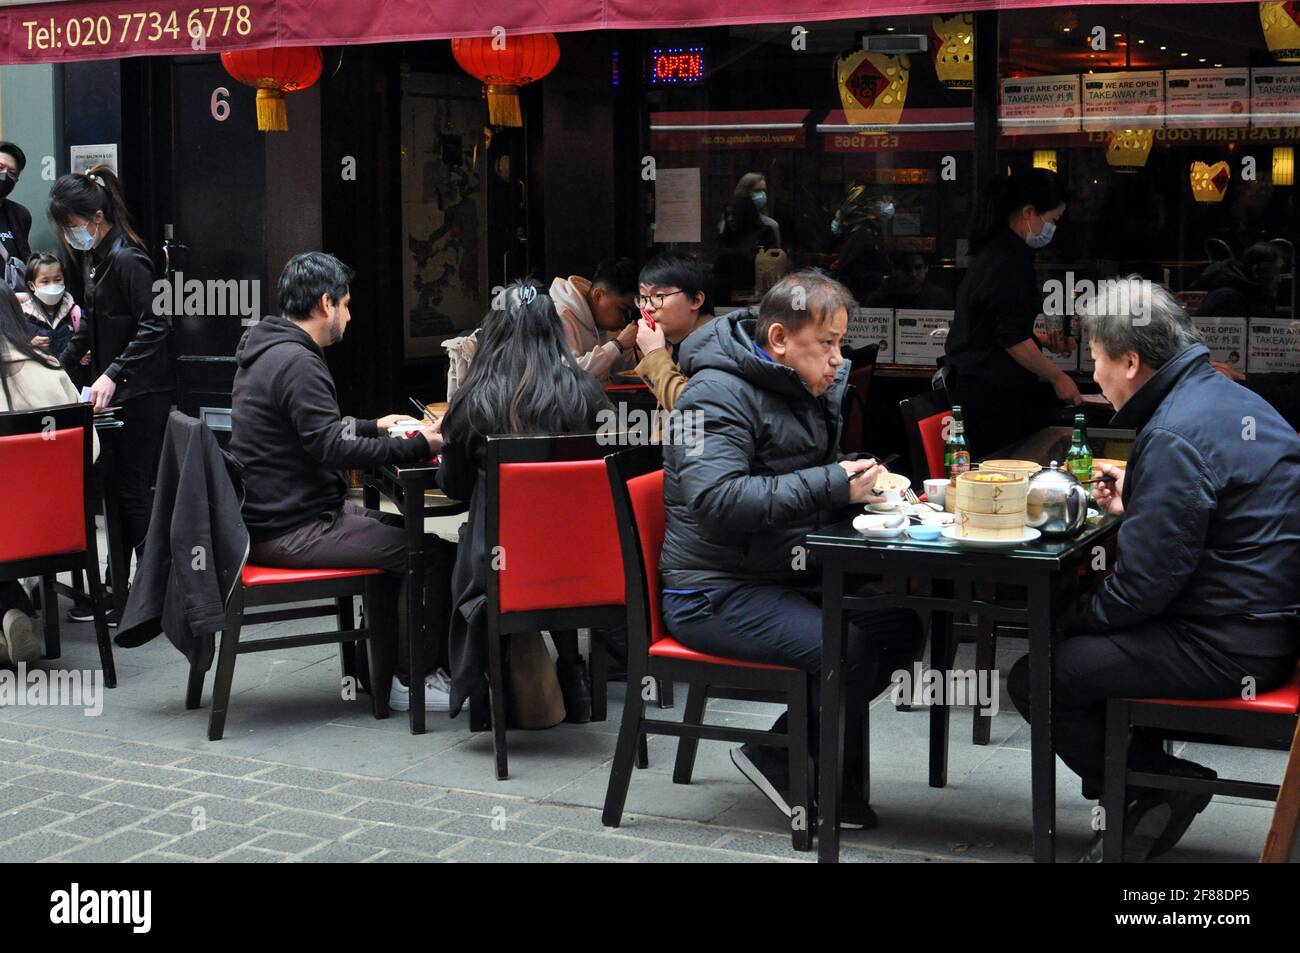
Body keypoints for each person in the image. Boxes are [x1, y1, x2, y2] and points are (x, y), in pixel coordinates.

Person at [1006, 280, 1300, 863]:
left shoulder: (1173, 432)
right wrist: (1141, 497)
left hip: (1230, 642)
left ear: (1131, 361)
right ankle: (1141, 793)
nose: (1094, 376)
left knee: (1039, 671)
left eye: (1095, 359)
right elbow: (1215, 519)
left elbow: (1142, 589)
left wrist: (1071, 617)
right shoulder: (1225, 397)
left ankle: (1151, 788)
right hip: (1266, 623)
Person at [659, 269, 923, 828]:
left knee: (900, 626)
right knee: (845, 649)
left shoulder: (798, 386)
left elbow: (799, 480)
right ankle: (793, 764)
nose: (836, 358)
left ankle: (785, 751)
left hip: (781, 573)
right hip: (713, 590)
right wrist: (833, 483)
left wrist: (865, 489)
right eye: (826, 344)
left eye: (840, 344)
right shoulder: (716, 395)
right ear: (778, 339)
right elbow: (715, 499)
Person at [229, 252, 455, 711]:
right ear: (326, 304)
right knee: (430, 555)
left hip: (280, 515)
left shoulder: (267, 349)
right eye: (347, 305)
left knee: (408, 538)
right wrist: (419, 444)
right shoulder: (298, 362)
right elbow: (331, 448)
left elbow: (313, 431)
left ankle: (386, 670)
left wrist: (374, 425)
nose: (349, 317)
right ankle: (413, 681)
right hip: (293, 528)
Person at [438, 281, 611, 722]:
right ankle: (572, 674)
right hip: (583, 564)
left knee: (469, 539)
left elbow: (453, 487)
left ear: (492, 332)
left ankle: (488, 691)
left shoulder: (473, 402)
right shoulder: (586, 394)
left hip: (499, 568)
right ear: (553, 330)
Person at [49, 167, 171, 623]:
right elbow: (88, 331)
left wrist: (115, 372)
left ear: (96, 217)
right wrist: (53, 368)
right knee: (116, 493)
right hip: (113, 393)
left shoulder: (129, 258)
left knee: (134, 493)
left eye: (72, 225)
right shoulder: (95, 258)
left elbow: (157, 324)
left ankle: (153, 595)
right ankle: (122, 588)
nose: (69, 234)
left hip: (141, 395)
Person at [944, 168, 1081, 457]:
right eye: (1053, 219)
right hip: (991, 398)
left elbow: (996, 327)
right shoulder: (1008, 262)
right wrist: (1058, 377)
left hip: (981, 391)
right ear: (1029, 212)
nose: (1053, 228)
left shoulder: (997, 252)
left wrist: (1041, 340)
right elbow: (1011, 339)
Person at [0, 285, 99, 664]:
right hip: (56, 528)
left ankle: (12, 609)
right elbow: (92, 450)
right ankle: (13, 612)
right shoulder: (50, 369)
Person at [632, 253, 714, 411]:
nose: (648, 307)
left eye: (659, 296)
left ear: (696, 300)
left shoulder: (718, 345)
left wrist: (654, 353)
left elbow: (693, 411)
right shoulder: (683, 343)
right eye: (643, 297)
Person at [549, 258, 639, 382]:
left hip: (602, 399)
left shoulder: (603, 320)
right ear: (598, 295)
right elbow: (569, 373)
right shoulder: (560, 315)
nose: (626, 319)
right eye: (623, 310)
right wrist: (618, 345)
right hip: (563, 401)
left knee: (628, 402)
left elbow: (624, 362)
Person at [21, 252, 90, 388]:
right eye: (45, 281)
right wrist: (29, 345)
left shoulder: (75, 313)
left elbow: (87, 344)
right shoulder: (22, 317)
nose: (52, 285)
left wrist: (84, 356)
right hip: (42, 389)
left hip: (74, 388)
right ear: (31, 285)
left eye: (58, 279)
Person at [713, 186, 778, 307]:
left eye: (735, 214)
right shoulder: (726, 236)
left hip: (755, 295)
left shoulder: (764, 234)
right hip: (725, 297)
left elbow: (768, 266)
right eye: (728, 215)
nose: (731, 219)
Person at [1195, 241, 1282, 319]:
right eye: (1274, 272)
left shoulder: (1256, 294)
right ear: (1256, 271)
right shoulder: (1228, 298)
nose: (1279, 279)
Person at [863, 251, 954, 311]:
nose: (913, 274)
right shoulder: (881, 297)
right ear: (897, 270)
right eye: (907, 268)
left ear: (926, 268)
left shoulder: (939, 298)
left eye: (918, 268)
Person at [718, 172, 781, 249]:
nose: (762, 194)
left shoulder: (770, 225)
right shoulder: (728, 225)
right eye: (757, 190)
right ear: (744, 191)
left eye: (763, 191)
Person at [0, 142, 33, 280]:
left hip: (12, 299)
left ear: (16, 180)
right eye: (0, 167)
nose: (4, 175)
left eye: (11, 173)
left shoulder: (20, 215)